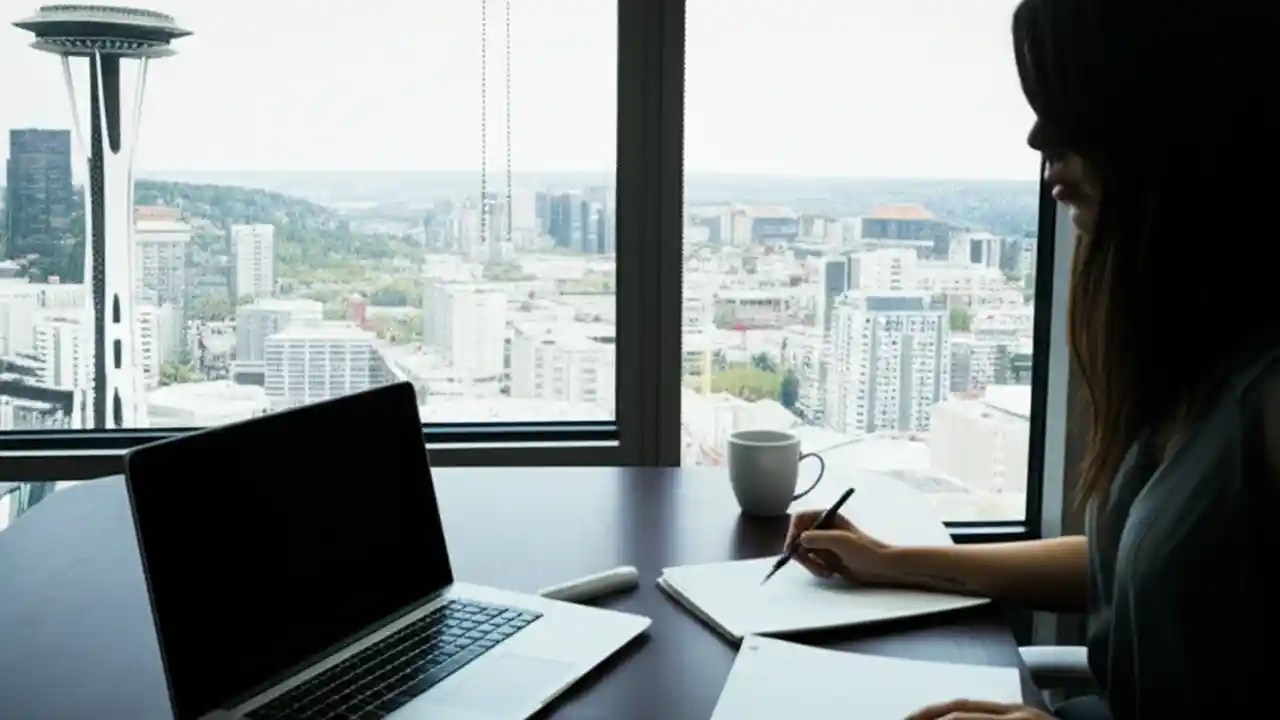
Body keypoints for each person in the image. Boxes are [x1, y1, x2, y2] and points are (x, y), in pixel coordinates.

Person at [784, 1, 1280, 718]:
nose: (1039, 136)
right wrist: (893, 562)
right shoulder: (1200, 355)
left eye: (1074, 108)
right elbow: (1133, 565)